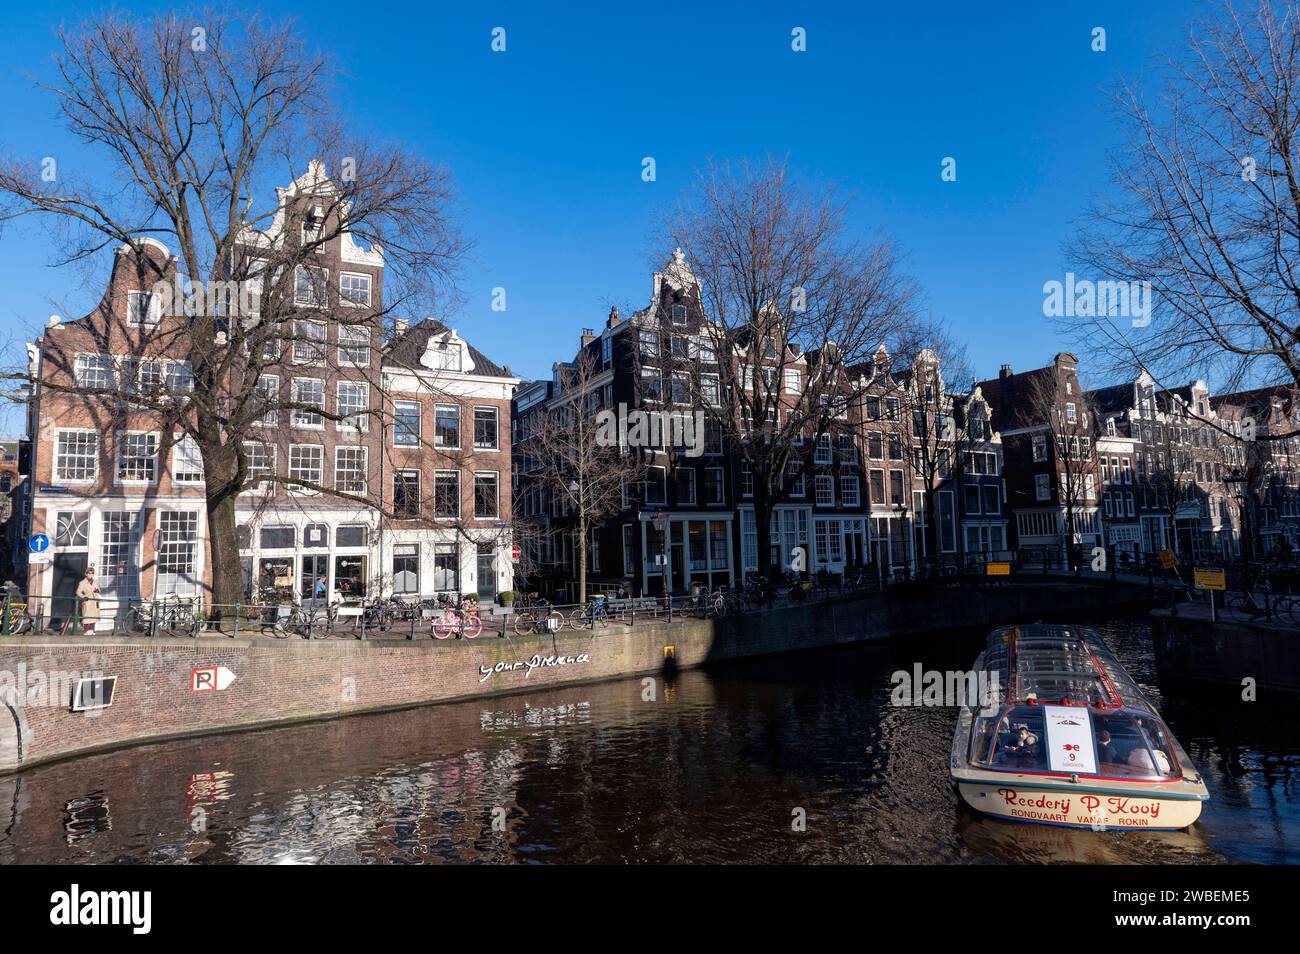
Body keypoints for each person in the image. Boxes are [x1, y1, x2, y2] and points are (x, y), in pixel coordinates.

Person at [76, 567, 101, 635]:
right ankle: (86, 630)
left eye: (92, 573)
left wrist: (97, 590)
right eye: (89, 573)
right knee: (87, 616)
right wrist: (84, 597)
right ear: (86, 574)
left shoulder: (95, 582)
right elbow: (78, 592)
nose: (90, 574)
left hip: (95, 600)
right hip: (88, 601)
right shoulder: (82, 583)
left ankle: (92, 630)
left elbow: (99, 589)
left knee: (94, 616)